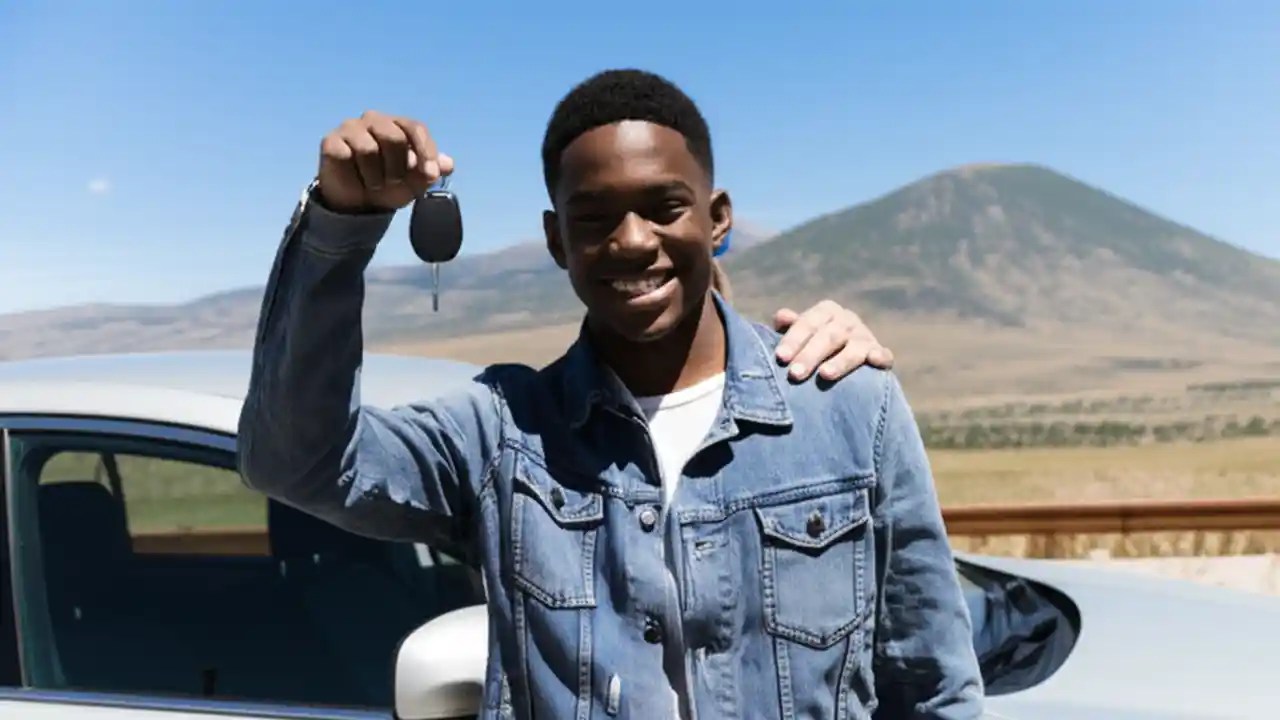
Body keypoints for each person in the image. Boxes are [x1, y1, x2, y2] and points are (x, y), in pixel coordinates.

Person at [238, 69, 981, 719]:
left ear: (716, 219)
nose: (631, 241)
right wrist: (342, 224)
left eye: (664, 207)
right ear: (557, 239)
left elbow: (931, 682)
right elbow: (297, 463)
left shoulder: (847, 408)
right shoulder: (504, 434)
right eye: (595, 219)